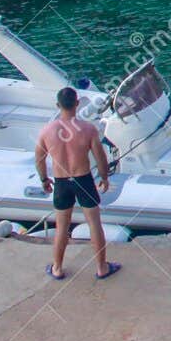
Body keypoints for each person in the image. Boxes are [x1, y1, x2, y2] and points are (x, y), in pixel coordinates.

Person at [35, 86, 119, 281]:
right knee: (94, 225)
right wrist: (105, 178)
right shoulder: (88, 129)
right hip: (83, 180)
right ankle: (101, 267)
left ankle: (57, 268)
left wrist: (44, 179)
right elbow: (100, 158)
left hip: (61, 182)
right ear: (77, 103)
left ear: (58, 105)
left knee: (62, 227)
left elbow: (39, 159)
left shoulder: (47, 131)